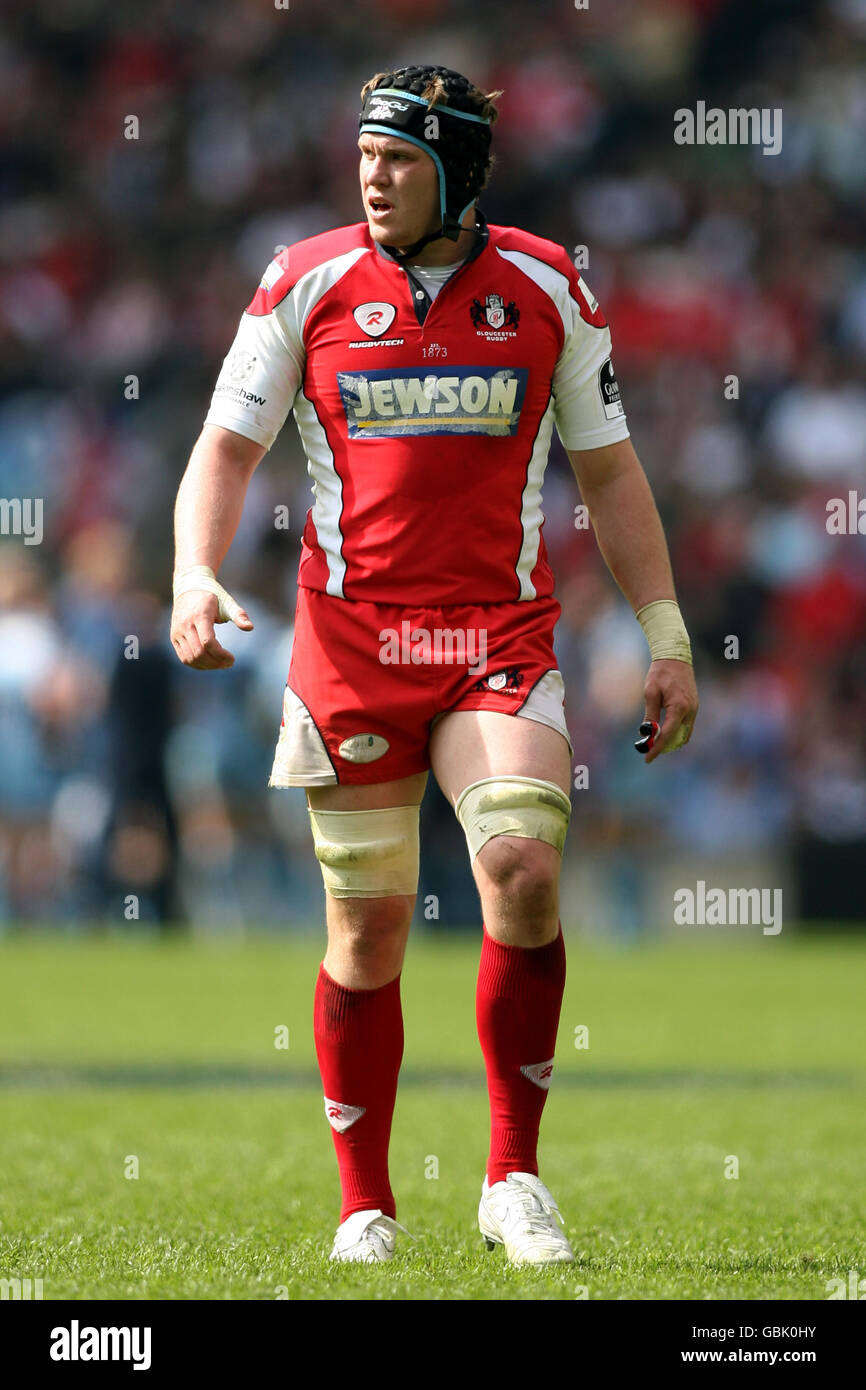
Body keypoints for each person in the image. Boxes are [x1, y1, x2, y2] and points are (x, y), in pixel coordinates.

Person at [170, 64, 698, 1266]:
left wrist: (665, 635)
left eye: (400, 159)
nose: (372, 177)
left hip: (491, 640)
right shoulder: (298, 280)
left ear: (458, 169)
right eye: (363, 154)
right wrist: (193, 577)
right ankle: (366, 1201)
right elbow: (224, 445)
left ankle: (512, 1176)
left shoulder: (550, 284)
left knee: (517, 865)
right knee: (366, 936)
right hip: (352, 643)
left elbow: (609, 472)